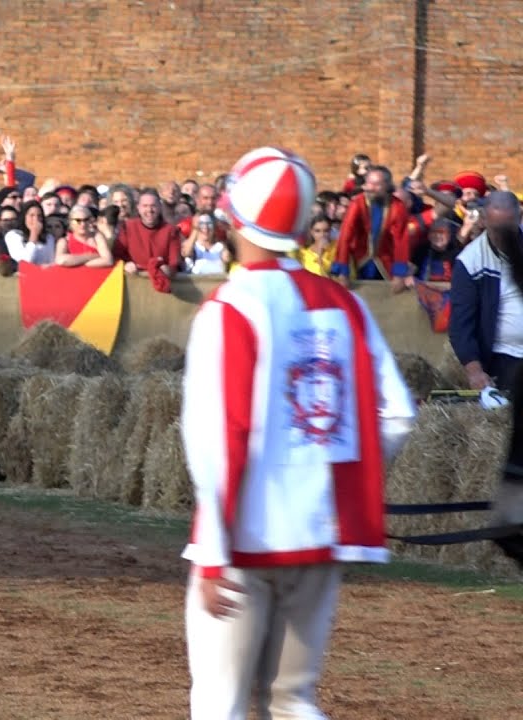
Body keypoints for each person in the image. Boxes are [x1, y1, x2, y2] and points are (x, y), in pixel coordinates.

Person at [181, 147, 415, 720]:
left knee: (221, 703)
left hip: (241, 541)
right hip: (320, 533)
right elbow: (397, 415)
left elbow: (216, 436)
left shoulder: (228, 308)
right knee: (294, 702)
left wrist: (212, 554)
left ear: (235, 218)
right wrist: (334, 481)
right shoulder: (346, 305)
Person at [450, 191, 523, 395]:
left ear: (520, 218)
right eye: (496, 230)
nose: (502, 237)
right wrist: (475, 371)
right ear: (483, 221)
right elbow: (461, 325)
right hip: (504, 357)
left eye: (508, 229)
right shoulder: (470, 261)